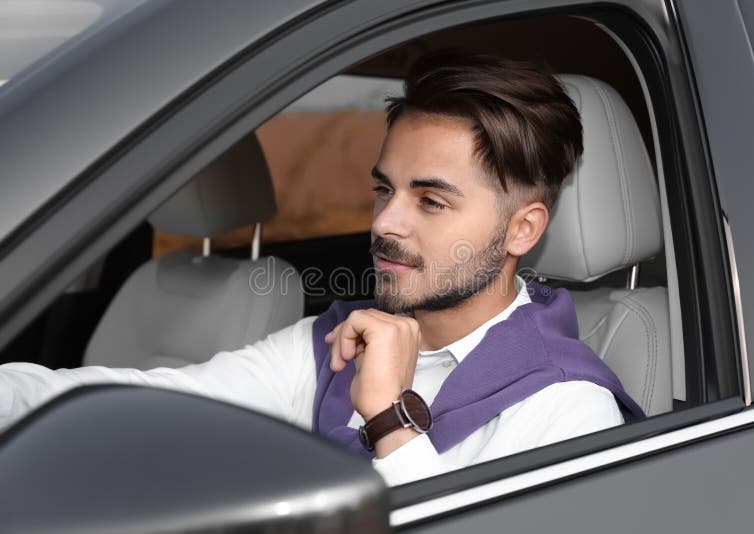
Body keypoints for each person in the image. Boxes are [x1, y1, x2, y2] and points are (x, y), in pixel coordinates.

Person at [0, 53, 643, 486]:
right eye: (383, 190)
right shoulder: (333, 341)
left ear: (522, 229)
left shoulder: (569, 406)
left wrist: (388, 418)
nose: (386, 222)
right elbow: (137, 406)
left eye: (431, 200)